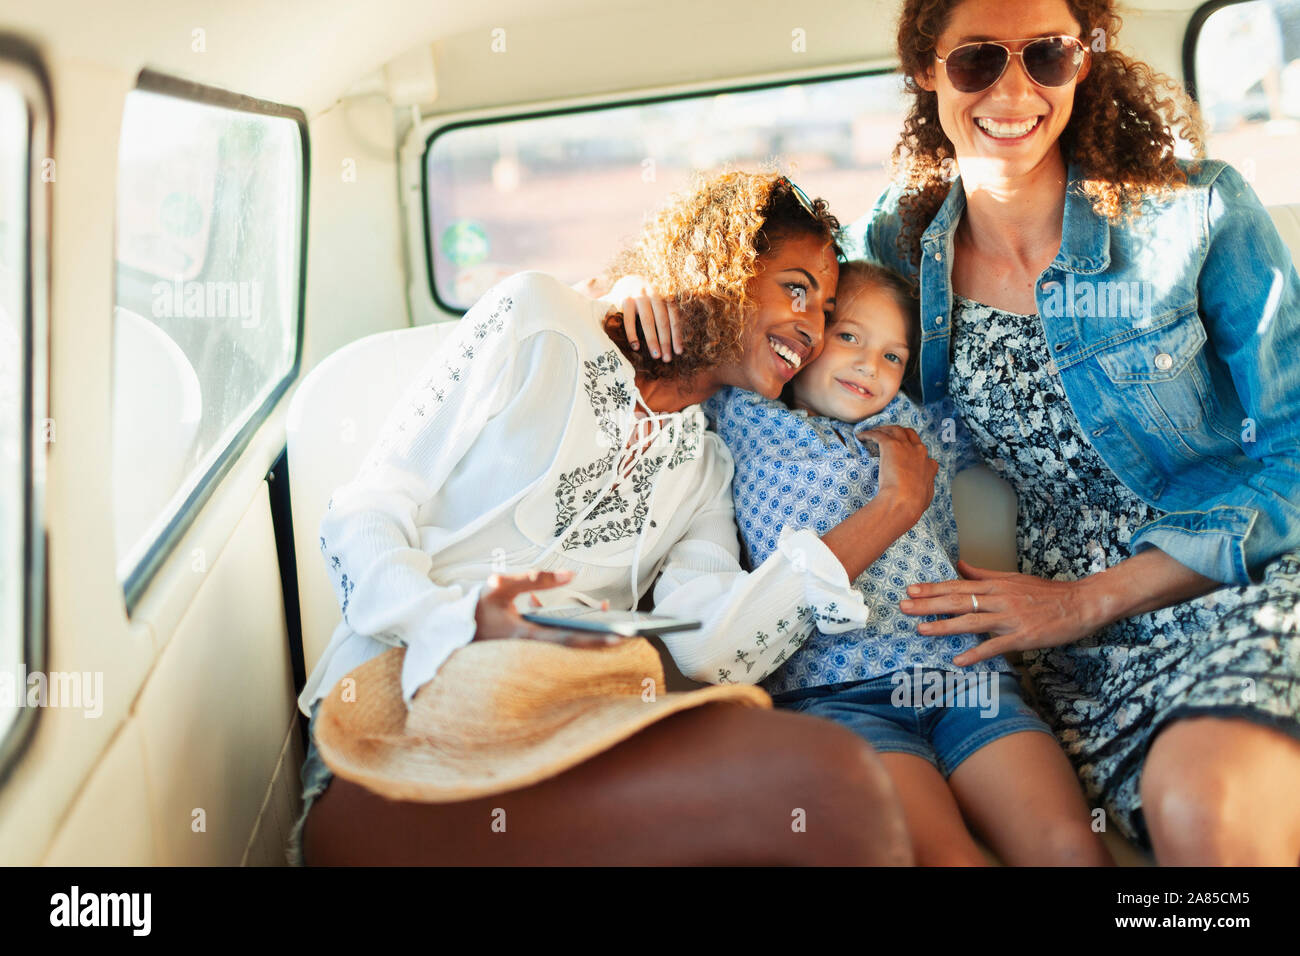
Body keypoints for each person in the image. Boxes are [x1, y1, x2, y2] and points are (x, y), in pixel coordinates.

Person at [291, 171, 926, 866]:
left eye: (827, 312)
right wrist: (455, 622)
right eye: (796, 289)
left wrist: (889, 512)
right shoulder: (538, 319)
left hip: (569, 722)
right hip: (403, 712)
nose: (811, 328)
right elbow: (366, 507)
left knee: (835, 784)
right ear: (726, 264)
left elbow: (713, 649)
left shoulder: (707, 470)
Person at [849, 0, 1300, 863]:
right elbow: (777, 315)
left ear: (1083, 62)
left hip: (1245, 584)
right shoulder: (898, 247)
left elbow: (1295, 444)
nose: (1014, 88)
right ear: (925, 71)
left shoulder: (1197, 211)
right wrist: (661, 306)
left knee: (1205, 812)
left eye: (1047, 55)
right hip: (1076, 654)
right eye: (977, 60)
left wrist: (1093, 596)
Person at [701, 260, 1113, 864]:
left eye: (894, 356)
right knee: (946, 858)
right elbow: (677, 337)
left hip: (963, 675)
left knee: (1068, 845)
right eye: (850, 337)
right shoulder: (743, 412)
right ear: (808, 335)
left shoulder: (916, 425)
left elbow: (1022, 413)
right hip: (835, 694)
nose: (872, 364)